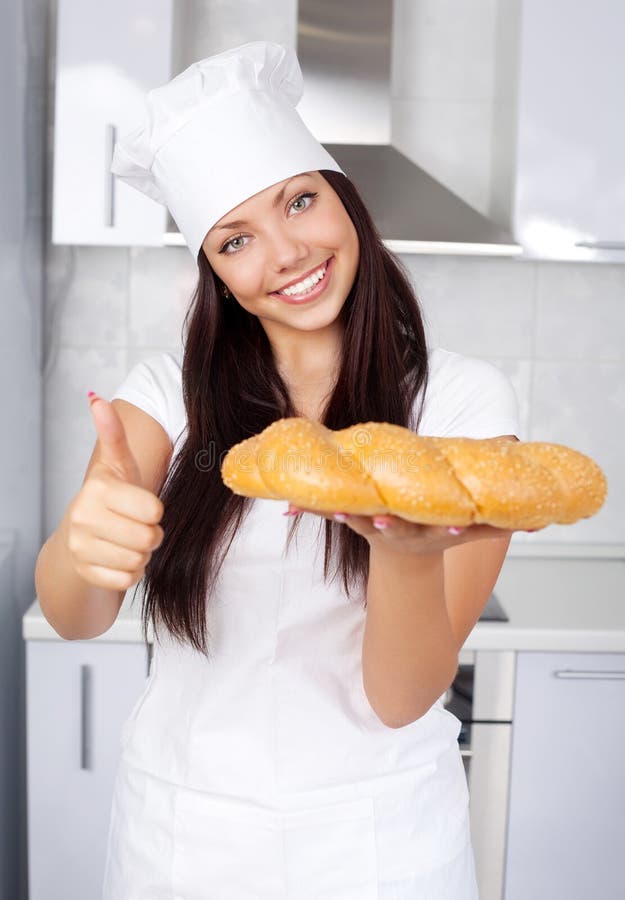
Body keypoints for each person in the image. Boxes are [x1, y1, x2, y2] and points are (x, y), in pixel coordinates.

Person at [35, 41, 521, 900]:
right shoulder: (165, 400)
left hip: (380, 845)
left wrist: (404, 550)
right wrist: (85, 545)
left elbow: (404, 697)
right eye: (235, 240)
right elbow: (76, 616)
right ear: (215, 274)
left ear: (345, 201)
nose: (286, 253)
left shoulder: (460, 407)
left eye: (300, 201)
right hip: (179, 842)